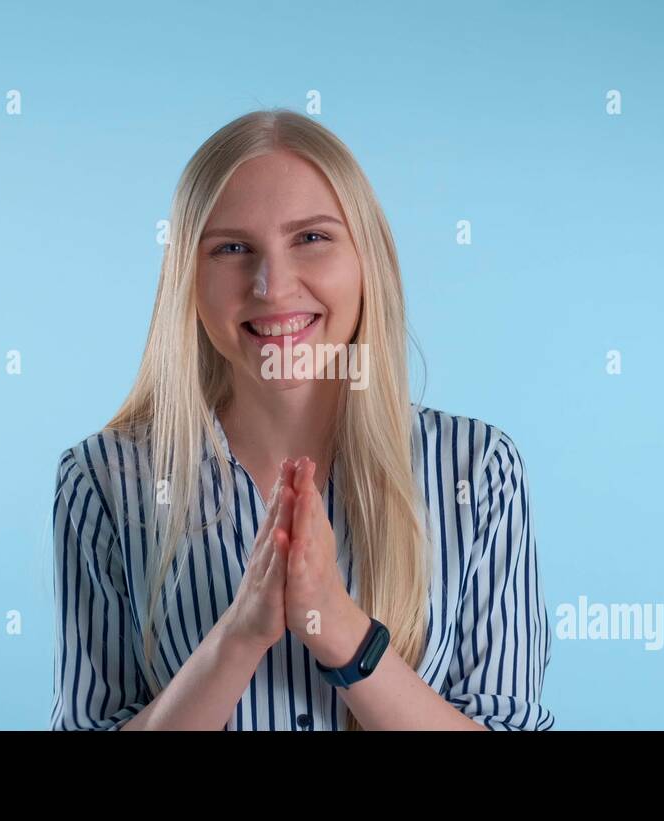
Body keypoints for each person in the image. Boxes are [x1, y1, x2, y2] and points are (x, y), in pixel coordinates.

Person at [50, 109, 552, 730]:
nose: (272, 285)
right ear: (186, 279)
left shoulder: (477, 469)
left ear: (368, 259)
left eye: (311, 238)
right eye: (231, 248)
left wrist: (340, 630)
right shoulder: (103, 479)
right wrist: (238, 636)